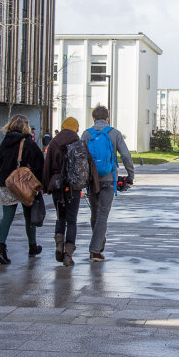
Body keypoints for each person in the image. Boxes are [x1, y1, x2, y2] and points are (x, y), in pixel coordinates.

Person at [80, 105, 134, 262]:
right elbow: (125, 155)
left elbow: (80, 156)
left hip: (92, 180)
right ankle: (95, 249)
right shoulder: (114, 133)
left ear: (94, 119)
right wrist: (130, 175)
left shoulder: (86, 134)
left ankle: (98, 241)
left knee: (95, 213)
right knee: (103, 214)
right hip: (109, 179)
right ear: (108, 118)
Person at [43, 117, 99, 267]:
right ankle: (68, 255)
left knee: (60, 217)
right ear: (76, 128)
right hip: (74, 186)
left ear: (62, 127)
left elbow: (47, 165)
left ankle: (58, 246)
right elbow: (89, 165)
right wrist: (92, 185)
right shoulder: (80, 143)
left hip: (57, 185)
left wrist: (46, 186)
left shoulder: (54, 142)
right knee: (72, 220)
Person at [0, 114, 46, 264]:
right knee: (29, 216)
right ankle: (32, 246)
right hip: (25, 185)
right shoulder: (29, 143)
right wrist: (41, 184)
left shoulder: (5, 142)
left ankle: (1, 248)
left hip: (8, 183)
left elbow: (0, 161)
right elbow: (38, 164)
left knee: (7, 217)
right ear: (26, 126)